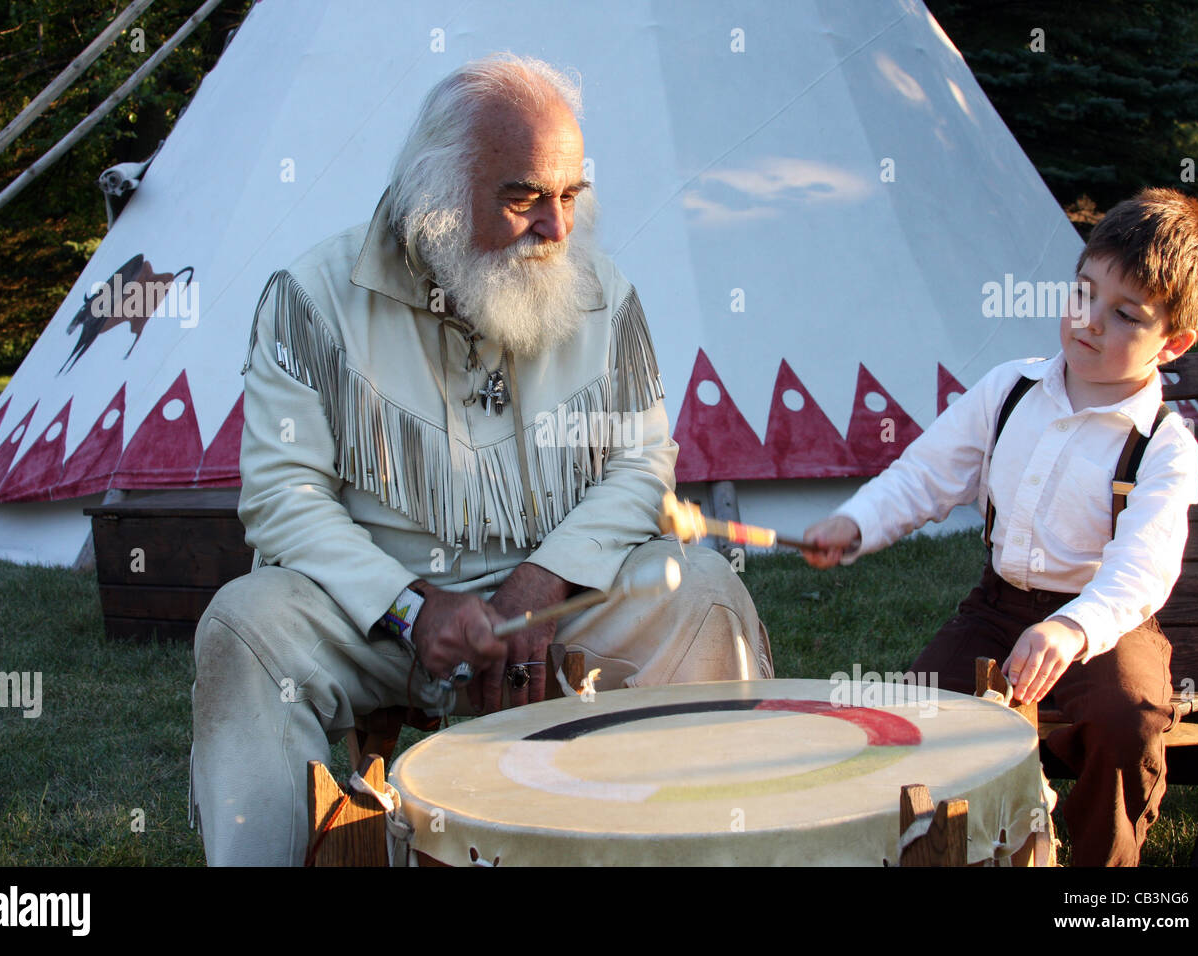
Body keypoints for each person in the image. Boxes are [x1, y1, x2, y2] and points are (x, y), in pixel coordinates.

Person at [190, 54, 772, 866]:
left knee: (704, 593)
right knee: (246, 624)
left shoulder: (607, 297)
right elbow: (284, 496)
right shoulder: (310, 300)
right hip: (376, 619)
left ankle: (708, 849)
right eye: (524, 196)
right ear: (437, 194)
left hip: (560, 601)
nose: (557, 228)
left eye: (571, 196)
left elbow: (640, 466)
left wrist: (543, 580)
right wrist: (411, 607)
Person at [799, 188, 1198, 866]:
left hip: (1105, 626)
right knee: (914, 714)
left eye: (1125, 315)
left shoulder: (1164, 446)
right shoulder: (1011, 391)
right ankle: (945, 850)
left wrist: (1071, 628)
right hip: (998, 610)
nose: (1090, 322)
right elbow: (925, 476)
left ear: (1173, 342)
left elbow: (1143, 569)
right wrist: (856, 523)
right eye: (1084, 293)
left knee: (1127, 716)